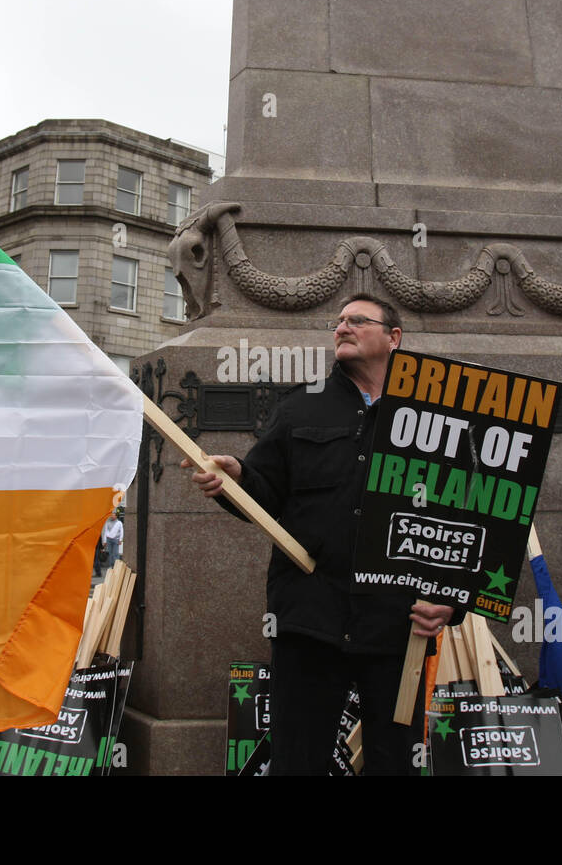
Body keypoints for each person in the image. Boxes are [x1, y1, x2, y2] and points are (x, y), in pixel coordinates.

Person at [184, 293, 454, 775]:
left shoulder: (435, 417)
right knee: (298, 762)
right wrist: (236, 479)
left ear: (394, 339)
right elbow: (265, 492)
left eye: (357, 320)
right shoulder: (300, 406)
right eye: (339, 321)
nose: (342, 328)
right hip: (310, 622)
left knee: (396, 764)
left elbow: (469, 518)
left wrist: (454, 603)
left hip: (397, 628)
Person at [100, 510, 124, 575]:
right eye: (111, 515)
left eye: (113, 515)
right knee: (110, 553)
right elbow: (105, 532)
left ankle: (117, 566)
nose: (112, 516)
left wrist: (120, 539)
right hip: (109, 539)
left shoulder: (119, 523)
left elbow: (121, 531)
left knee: (116, 553)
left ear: (116, 516)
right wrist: (104, 541)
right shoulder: (108, 522)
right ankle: (111, 565)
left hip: (116, 539)